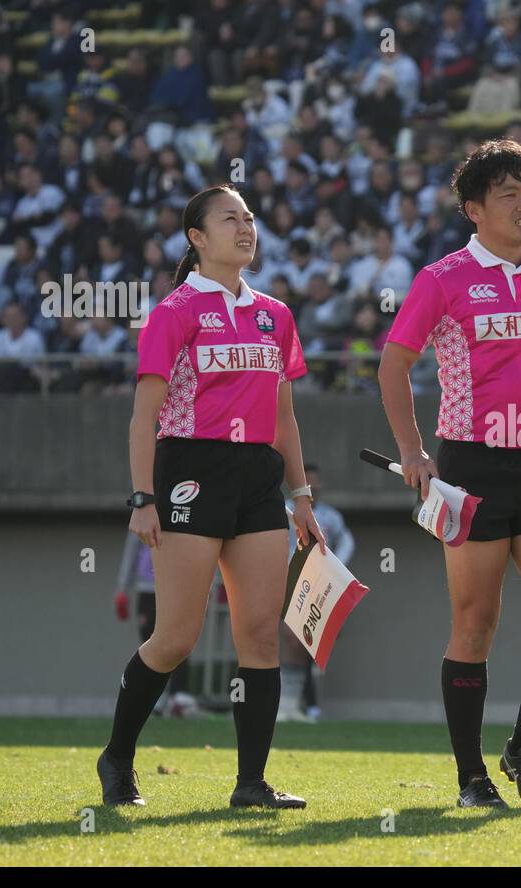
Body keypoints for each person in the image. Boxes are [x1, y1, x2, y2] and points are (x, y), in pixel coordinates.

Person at [377, 139, 521, 808]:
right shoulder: (441, 278)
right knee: (474, 622)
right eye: (509, 194)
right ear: (474, 209)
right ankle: (471, 776)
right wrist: (415, 452)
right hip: (470, 465)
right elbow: (393, 365)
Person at [98, 184, 324, 809]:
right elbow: (143, 418)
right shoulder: (174, 311)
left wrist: (300, 494)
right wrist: (143, 498)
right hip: (188, 470)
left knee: (259, 634)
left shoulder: (276, 314)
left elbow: (284, 418)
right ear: (197, 238)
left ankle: (251, 783)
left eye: (250, 218)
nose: (246, 227)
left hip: (258, 477)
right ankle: (117, 757)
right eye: (231, 218)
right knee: (175, 637)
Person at [278, 462, 355, 722]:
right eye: (306, 482)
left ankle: (294, 705)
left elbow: (346, 541)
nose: (312, 487)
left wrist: (336, 566)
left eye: (315, 482)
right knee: (290, 636)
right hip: (289, 579)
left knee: (304, 641)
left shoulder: (331, 517)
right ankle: (287, 705)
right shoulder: (284, 510)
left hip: (319, 582)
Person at [113, 530, 201, 718]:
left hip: (177, 587)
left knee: (179, 640)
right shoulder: (145, 509)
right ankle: (155, 696)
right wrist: (122, 588)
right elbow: (132, 550)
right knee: (150, 642)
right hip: (147, 588)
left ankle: (178, 694)